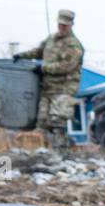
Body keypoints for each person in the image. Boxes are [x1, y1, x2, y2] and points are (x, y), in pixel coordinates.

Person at [14, 9, 83, 151]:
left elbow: (67, 66)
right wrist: (21, 55)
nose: (62, 27)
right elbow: (38, 52)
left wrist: (43, 68)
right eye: (60, 24)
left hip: (64, 88)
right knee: (42, 122)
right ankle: (46, 152)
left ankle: (62, 152)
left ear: (71, 25)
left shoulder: (74, 45)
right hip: (47, 88)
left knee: (57, 121)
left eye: (65, 25)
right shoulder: (51, 39)